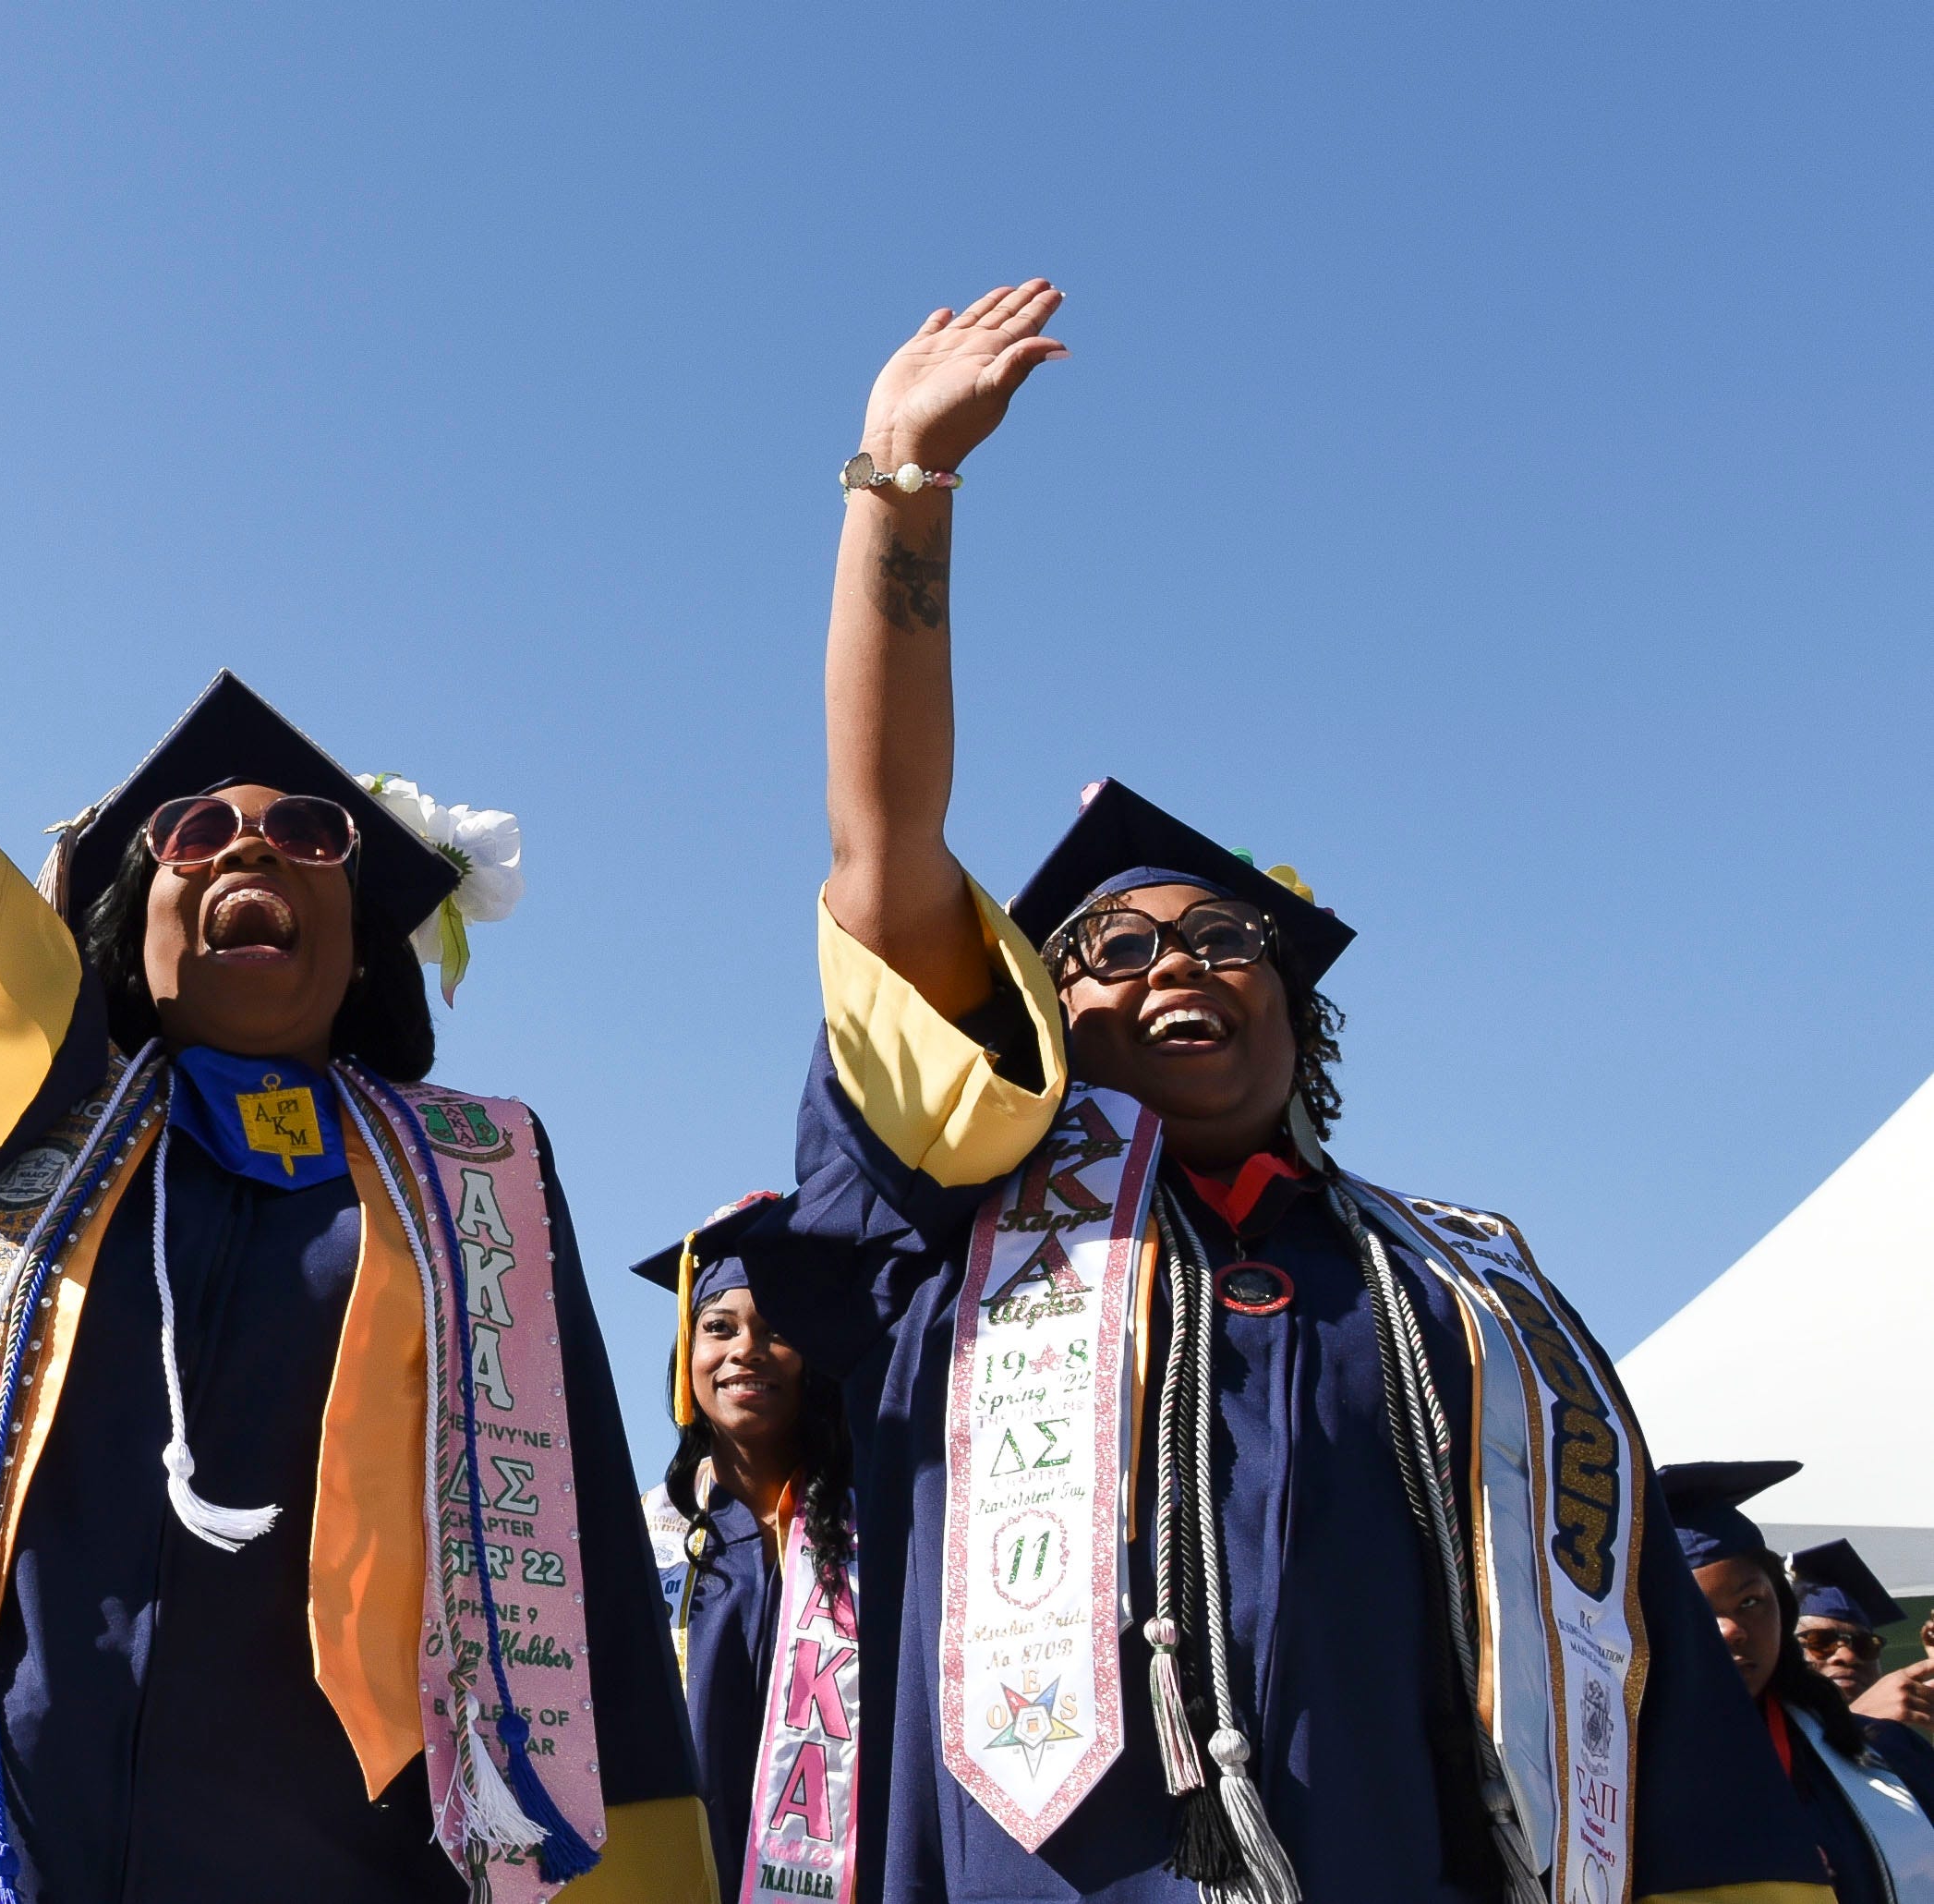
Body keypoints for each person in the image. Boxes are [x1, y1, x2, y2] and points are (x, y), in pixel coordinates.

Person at [750, 279, 1829, 1902]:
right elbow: (885, 854)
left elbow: (1633, 1672)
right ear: (1030, 1015)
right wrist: (903, 484)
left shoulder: (1469, 1295)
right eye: (1110, 947)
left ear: (1289, 1003)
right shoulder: (958, 1232)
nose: (1172, 964)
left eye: (1224, 938)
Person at [0, 307, 700, 1904]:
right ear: (119, 927)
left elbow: (583, 1574)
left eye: (310, 836)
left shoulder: (473, 1174)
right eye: (194, 834)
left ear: (363, 945)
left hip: (352, 1853)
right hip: (2, 1831)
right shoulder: (38, 1114)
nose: (252, 846)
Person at [626, 1192, 856, 1901]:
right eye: (718, 1327)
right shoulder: (644, 1537)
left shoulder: (874, 1535)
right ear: (688, 1352)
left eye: (778, 1327)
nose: (745, 1350)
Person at [1670, 1464, 1934, 1903]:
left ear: (1782, 1607)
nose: (1732, 1630)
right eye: (1695, 1609)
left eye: (1750, 1601)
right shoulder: (1615, 1784)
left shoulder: (1885, 1752)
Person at [1793, 1539, 1905, 1704]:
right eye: (1820, 1641)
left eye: (1865, 1645)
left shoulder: (1902, 1721)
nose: (1848, 1656)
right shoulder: (1756, 1719)